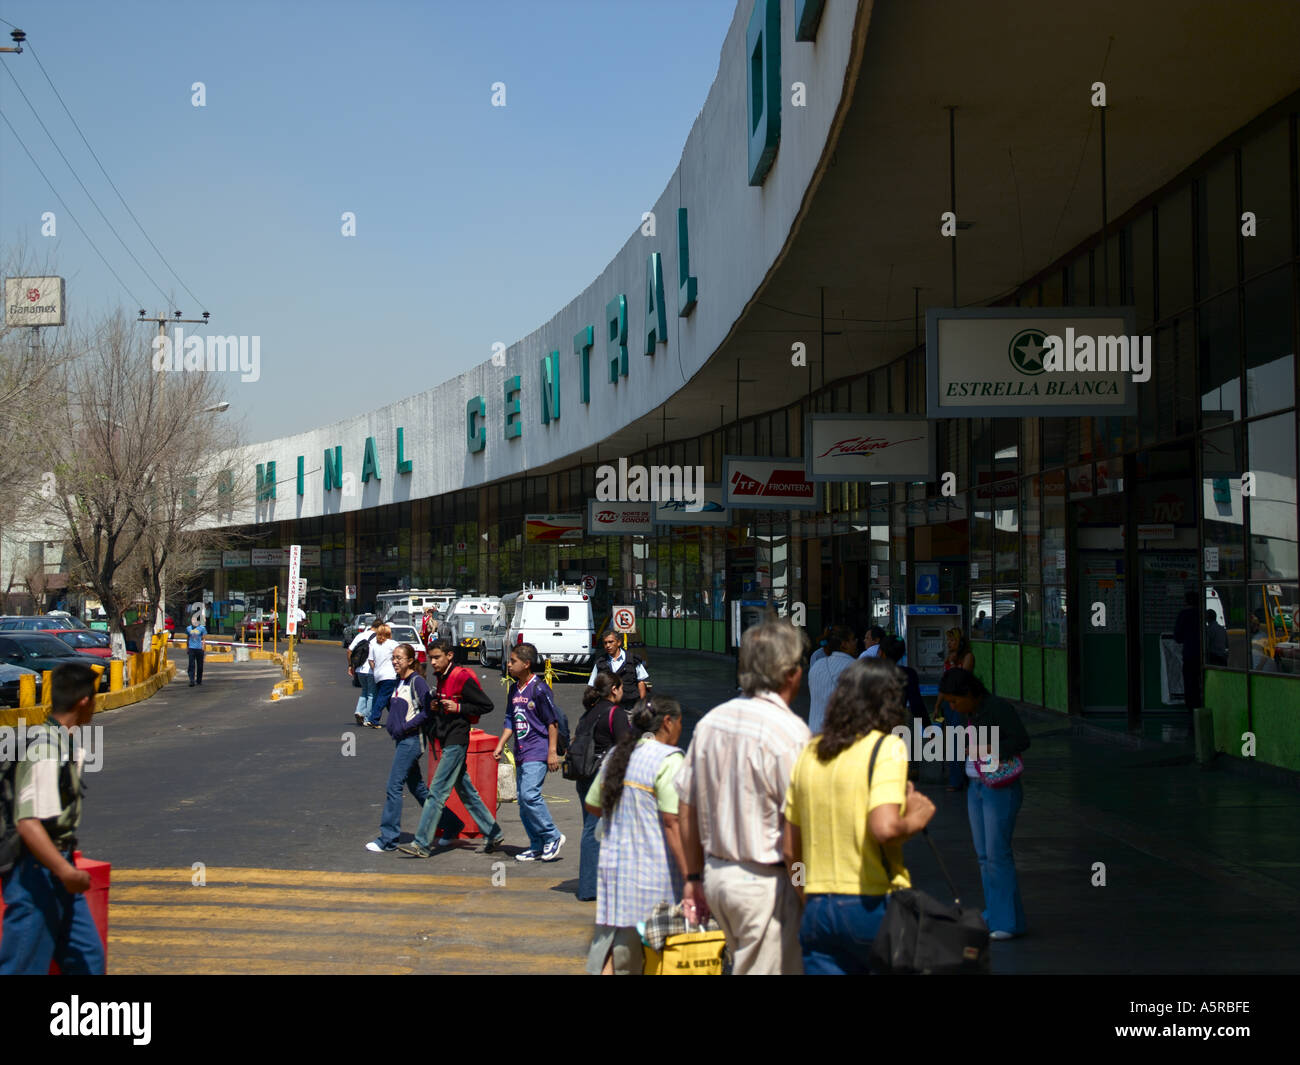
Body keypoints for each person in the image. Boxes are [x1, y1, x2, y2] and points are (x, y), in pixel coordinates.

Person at [675, 619, 811, 975]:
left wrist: (692, 878)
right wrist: (805, 892)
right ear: (790, 674)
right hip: (765, 883)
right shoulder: (790, 733)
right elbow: (795, 837)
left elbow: (685, 808)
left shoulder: (712, 722)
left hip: (718, 876)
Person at [783, 659, 937, 974]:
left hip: (817, 907)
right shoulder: (886, 749)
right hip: (871, 903)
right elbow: (885, 827)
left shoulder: (811, 754)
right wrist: (917, 818)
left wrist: (803, 892)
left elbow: (790, 850)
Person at [0, 662, 105, 974]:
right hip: (36, 872)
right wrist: (65, 872)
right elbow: (28, 822)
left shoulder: (64, 742)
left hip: (58, 867)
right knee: (22, 967)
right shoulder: (46, 749)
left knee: (89, 961)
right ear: (84, 700)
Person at [583, 696, 688, 975]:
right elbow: (672, 821)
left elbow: (593, 804)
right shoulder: (669, 760)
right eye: (679, 723)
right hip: (656, 878)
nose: (680, 730)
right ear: (668, 722)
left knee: (618, 954)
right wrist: (693, 877)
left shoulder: (619, 755)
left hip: (617, 874)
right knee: (656, 958)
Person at [936, 668, 1031, 940]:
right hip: (977, 785)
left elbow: (1022, 740)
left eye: (954, 701)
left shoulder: (998, 708)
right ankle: (997, 913)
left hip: (999, 788)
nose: (952, 706)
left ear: (968, 694)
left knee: (997, 853)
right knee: (984, 855)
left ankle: (1007, 922)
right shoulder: (970, 712)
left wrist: (986, 749)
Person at [397, 639, 505, 858]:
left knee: (436, 793)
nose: (433, 662)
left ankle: (422, 844)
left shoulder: (461, 677)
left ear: (449, 656)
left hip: (456, 740)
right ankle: (493, 833)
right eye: (431, 658)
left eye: (437, 657)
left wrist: (458, 707)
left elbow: (486, 705)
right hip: (447, 739)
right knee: (466, 791)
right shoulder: (442, 678)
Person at [492, 643, 565, 862]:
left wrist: (552, 753)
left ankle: (552, 835)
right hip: (521, 752)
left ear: (526, 664)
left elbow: (552, 723)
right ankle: (536, 844)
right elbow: (510, 720)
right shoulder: (514, 689)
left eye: (513, 661)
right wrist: (500, 745)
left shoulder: (539, 688)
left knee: (529, 795)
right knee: (523, 803)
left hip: (538, 750)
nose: (509, 664)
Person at [574, 671, 636, 901]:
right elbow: (624, 747)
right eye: (620, 688)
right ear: (614, 689)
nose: (622, 692)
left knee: (597, 830)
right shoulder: (615, 713)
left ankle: (602, 883)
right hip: (603, 777)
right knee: (595, 831)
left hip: (585, 777)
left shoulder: (589, 712)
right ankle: (590, 888)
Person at [366, 643, 432, 852]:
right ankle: (450, 825)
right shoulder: (399, 681)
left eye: (399, 658)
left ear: (410, 660)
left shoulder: (417, 682)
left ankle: (389, 839)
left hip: (411, 741)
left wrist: (405, 726)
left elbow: (429, 710)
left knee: (394, 786)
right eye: (393, 658)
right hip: (402, 740)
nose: (395, 661)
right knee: (418, 788)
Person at [938, 628, 977, 791]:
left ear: (961, 642)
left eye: (952, 640)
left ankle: (958, 779)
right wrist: (937, 704)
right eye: (948, 640)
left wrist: (954, 664)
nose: (949, 643)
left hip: (961, 701)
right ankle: (958, 776)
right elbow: (945, 682)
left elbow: (961, 679)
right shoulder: (948, 659)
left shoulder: (968, 657)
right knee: (951, 740)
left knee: (958, 739)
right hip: (948, 702)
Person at [807, 625, 857, 734]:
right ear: (844, 644)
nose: (856, 642)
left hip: (814, 732)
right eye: (853, 639)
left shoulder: (817, 665)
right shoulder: (855, 666)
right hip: (840, 736)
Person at [587, 630, 649, 715]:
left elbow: (641, 682)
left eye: (611, 642)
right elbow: (592, 686)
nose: (608, 645)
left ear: (619, 642)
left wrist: (642, 705)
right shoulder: (600, 663)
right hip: (607, 709)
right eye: (605, 643)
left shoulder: (632, 660)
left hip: (630, 708)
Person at [881, 636, 930, 730]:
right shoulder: (908, 674)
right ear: (902, 653)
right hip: (897, 726)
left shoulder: (871, 672)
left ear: (881, 652)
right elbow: (916, 705)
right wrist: (929, 728)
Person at [1172, 591, 1202, 710]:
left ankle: (1192, 708)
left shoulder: (1184, 615)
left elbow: (1178, 637)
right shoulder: (1201, 614)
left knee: (1190, 682)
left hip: (1189, 653)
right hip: (1202, 654)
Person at [367, 623, 399, 729]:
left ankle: (396, 719)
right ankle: (374, 719)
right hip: (390, 675)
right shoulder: (392, 643)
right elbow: (400, 655)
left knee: (388, 699)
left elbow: (371, 660)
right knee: (383, 698)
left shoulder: (372, 643)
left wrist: (376, 670)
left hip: (378, 675)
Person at [347, 618, 378, 726]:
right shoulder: (377, 638)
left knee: (364, 691)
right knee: (371, 694)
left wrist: (351, 665)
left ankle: (359, 711)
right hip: (371, 670)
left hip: (359, 670)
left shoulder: (360, 636)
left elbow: (349, 650)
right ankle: (367, 717)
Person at [185, 613, 207, 687]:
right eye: (192, 620)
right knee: (191, 665)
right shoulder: (188, 628)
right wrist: (187, 647)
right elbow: (188, 638)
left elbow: (203, 639)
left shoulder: (202, 628)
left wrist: (203, 647)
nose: (193, 622)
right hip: (191, 648)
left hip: (199, 649)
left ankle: (199, 680)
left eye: (195, 620)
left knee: (200, 666)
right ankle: (191, 680)